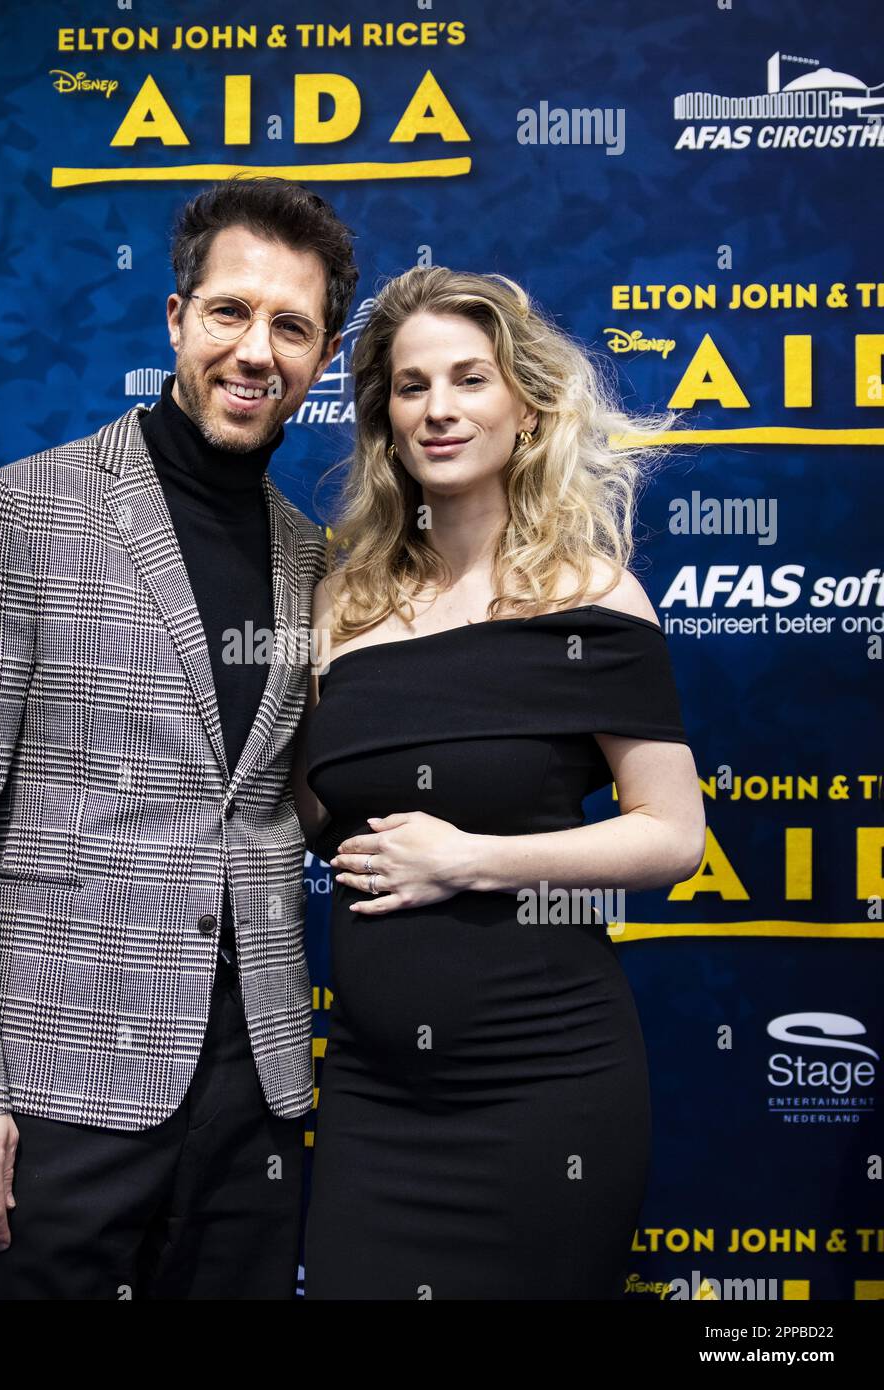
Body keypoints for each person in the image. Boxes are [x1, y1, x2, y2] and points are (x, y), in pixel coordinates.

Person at [0, 176, 357, 1298]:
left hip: (257, 1093)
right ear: (175, 320)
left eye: (290, 326)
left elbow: (289, 799)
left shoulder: (318, 558)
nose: (255, 351)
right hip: (57, 1090)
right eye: (229, 312)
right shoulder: (24, 511)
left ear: (324, 354)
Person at [292, 266, 706, 1299]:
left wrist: (472, 861)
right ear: (382, 417)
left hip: (548, 1087)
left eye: (468, 379)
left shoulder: (591, 595)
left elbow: (670, 834)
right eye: (409, 384)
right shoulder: (341, 607)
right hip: (373, 1096)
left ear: (524, 405)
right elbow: (305, 813)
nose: (438, 408)